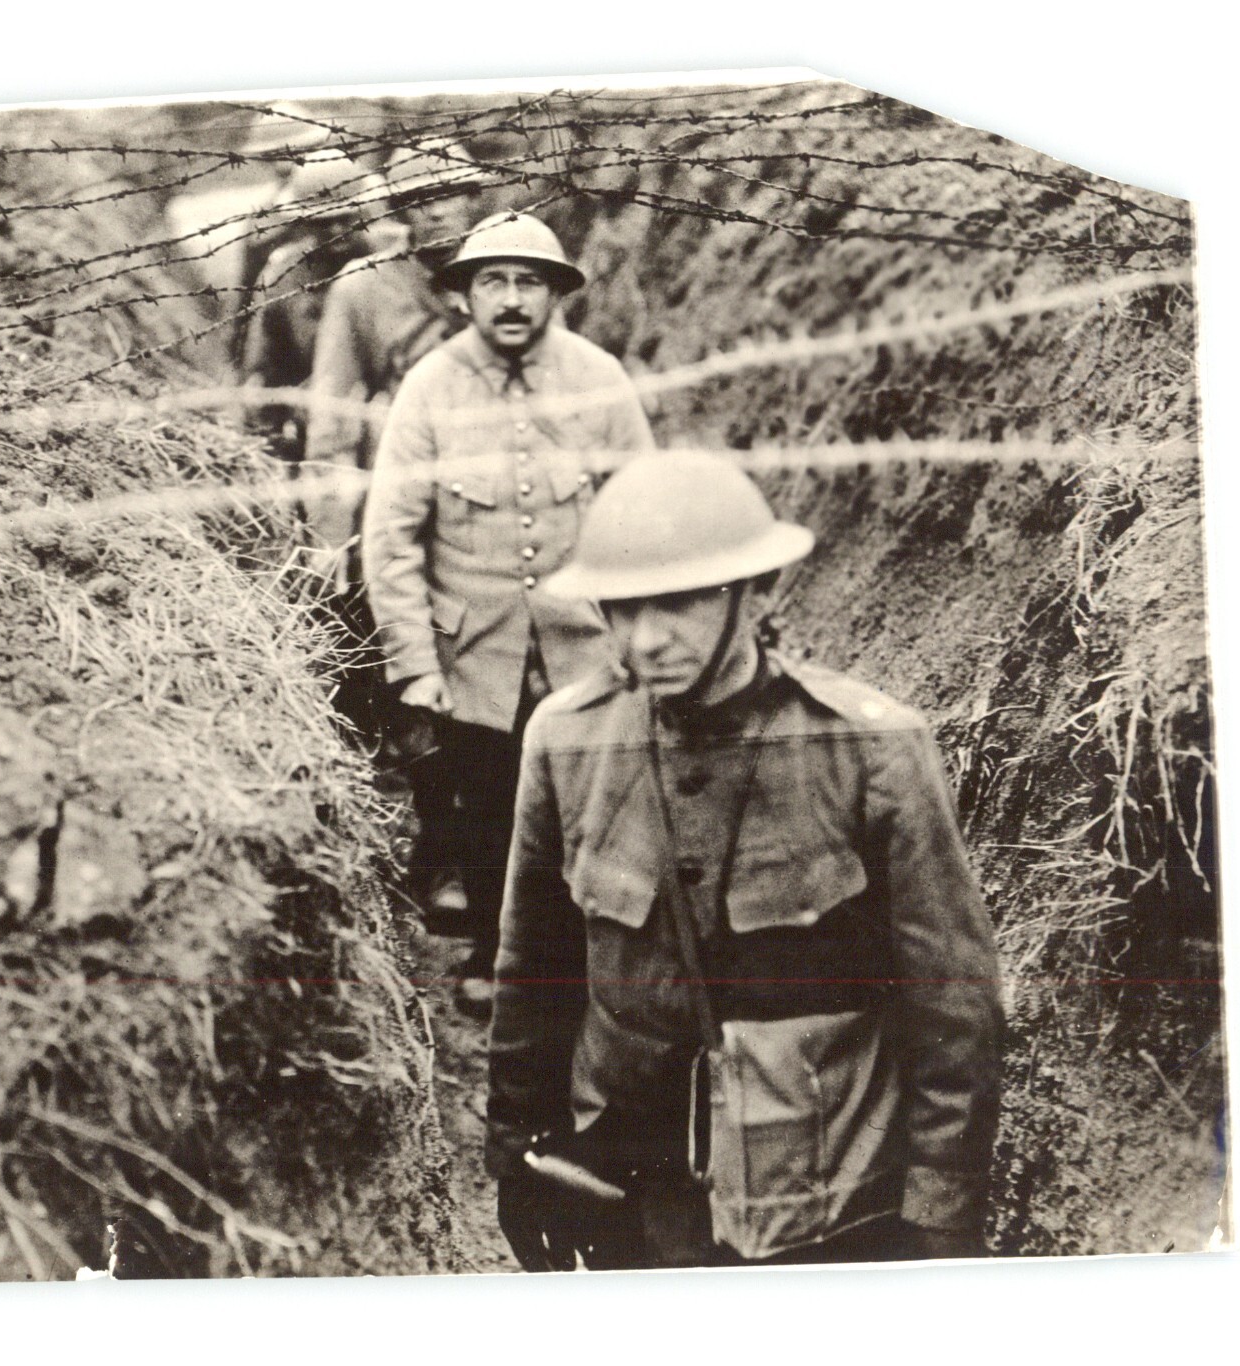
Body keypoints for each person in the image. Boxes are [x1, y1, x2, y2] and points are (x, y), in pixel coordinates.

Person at [487, 450, 1004, 1269]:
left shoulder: (868, 748)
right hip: (634, 1196)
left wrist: (942, 1211)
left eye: (680, 604)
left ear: (753, 594)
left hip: (826, 1211)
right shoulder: (567, 739)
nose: (646, 639)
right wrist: (517, 1158)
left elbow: (952, 1005)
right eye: (620, 609)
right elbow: (534, 973)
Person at [361, 211, 655, 1009]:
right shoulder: (430, 387)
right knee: (488, 810)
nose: (512, 299)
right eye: (493, 281)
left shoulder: (599, 381)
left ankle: (596, 965)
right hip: (473, 658)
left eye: (530, 281)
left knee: (594, 811)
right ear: (463, 297)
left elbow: (644, 516)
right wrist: (414, 666)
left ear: (557, 293)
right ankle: (499, 958)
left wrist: (643, 648)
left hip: (583, 652)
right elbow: (390, 537)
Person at [302, 139, 488, 923]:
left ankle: (498, 859)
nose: (444, 209)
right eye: (428, 198)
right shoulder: (363, 292)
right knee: (416, 681)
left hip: (486, 508)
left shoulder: (503, 277)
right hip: (397, 507)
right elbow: (335, 422)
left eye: (455, 194)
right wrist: (333, 535)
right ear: (403, 211)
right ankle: (441, 854)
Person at [239, 152, 385, 464]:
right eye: (323, 221)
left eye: (346, 218)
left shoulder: (394, 260)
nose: (336, 231)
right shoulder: (284, 273)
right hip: (314, 423)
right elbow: (263, 370)